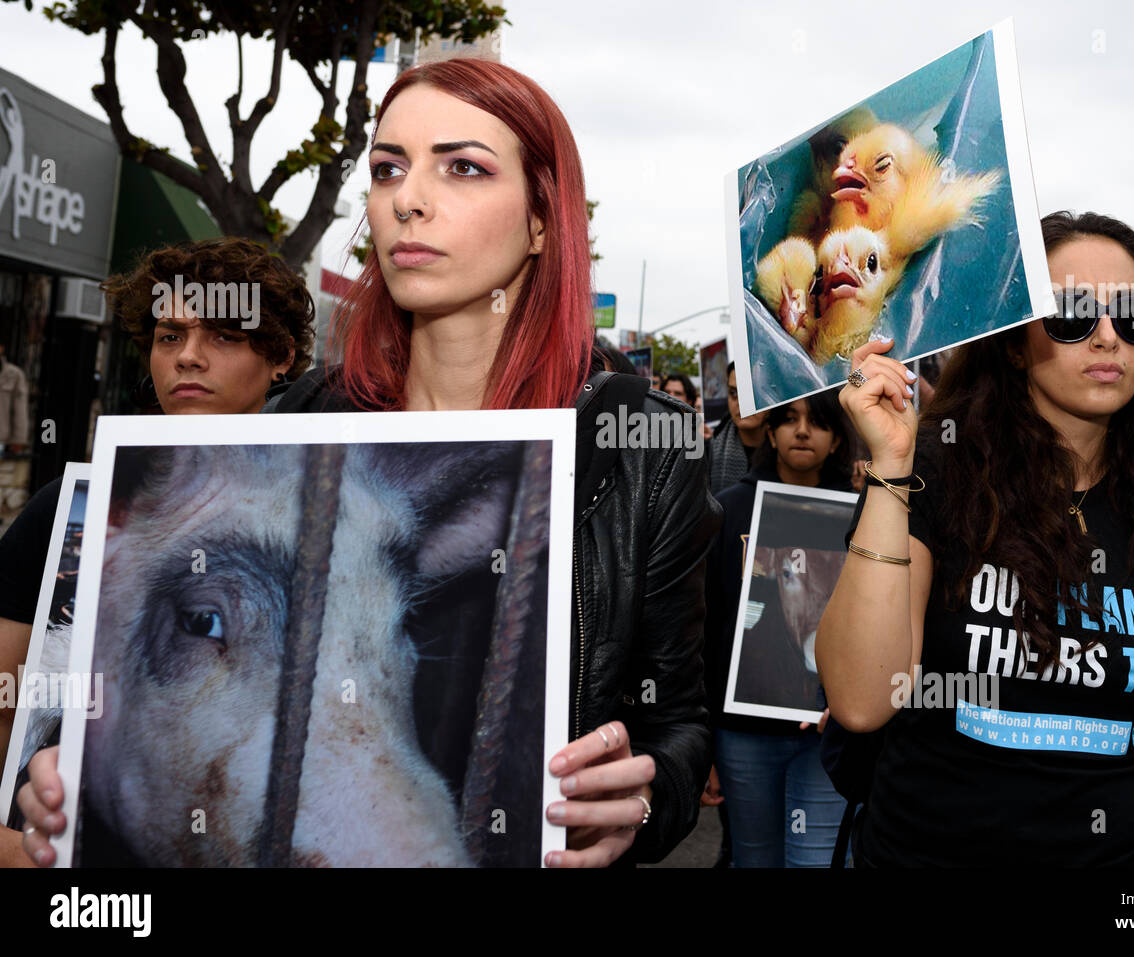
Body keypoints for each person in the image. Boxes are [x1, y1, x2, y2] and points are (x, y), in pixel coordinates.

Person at [22, 59, 718, 869]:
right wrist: (69, 771)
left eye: (462, 166)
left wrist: (640, 796)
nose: (407, 198)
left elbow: (681, 724)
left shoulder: (641, 447)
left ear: (541, 220)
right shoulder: (296, 428)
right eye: (389, 168)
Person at [819, 211, 1134, 867]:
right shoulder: (936, 471)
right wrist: (891, 469)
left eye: (1131, 316)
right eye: (1071, 314)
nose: (1105, 338)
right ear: (1014, 341)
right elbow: (864, 699)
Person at [3, 236, 316, 866]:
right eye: (170, 336)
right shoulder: (68, 508)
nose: (188, 358)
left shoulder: (323, 522)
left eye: (223, 336)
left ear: (280, 356)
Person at [703, 389, 855, 866]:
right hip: (743, 731)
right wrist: (702, 738)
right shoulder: (727, 511)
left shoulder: (864, 516)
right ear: (770, 432)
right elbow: (707, 624)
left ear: (836, 441)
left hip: (828, 731)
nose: (803, 431)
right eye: (790, 419)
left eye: (818, 422)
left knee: (815, 860)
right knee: (754, 858)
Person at [707, 362, 769, 495]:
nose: (741, 402)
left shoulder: (789, 453)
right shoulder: (708, 451)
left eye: (753, 392)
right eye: (733, 393)